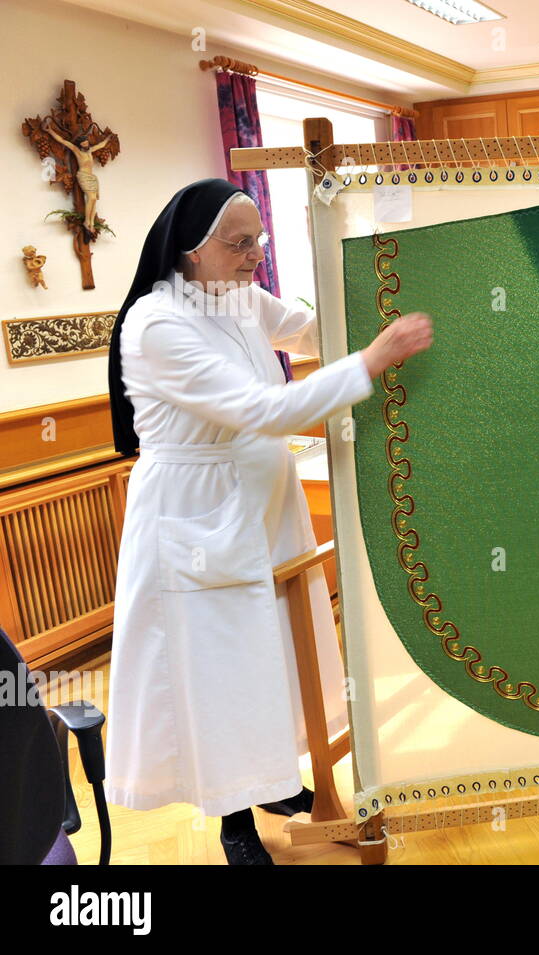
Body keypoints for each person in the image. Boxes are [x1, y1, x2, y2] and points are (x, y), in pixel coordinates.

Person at [103, 179, 432, 863]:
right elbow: (262, 408)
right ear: (190, 251)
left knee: (277, 656)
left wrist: (366, 290)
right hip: (197, 515)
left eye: (259, 239)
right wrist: (374, 359)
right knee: (217, 672)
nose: (256, 253)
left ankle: (275, 780)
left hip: (263, 507)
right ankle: (234, 823)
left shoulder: (238, 295)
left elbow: (307, 329)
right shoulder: (157, 323)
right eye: (239, 242)